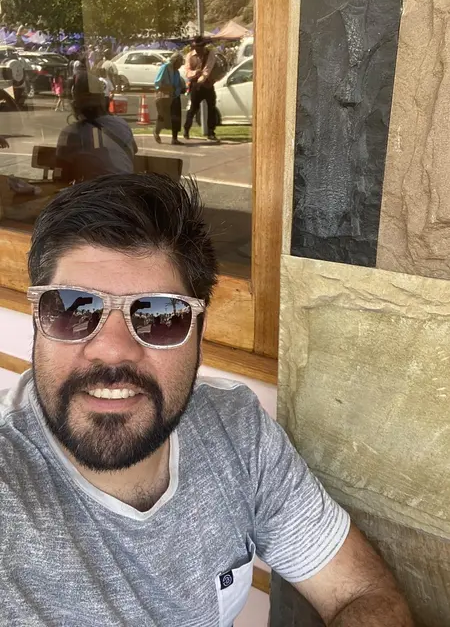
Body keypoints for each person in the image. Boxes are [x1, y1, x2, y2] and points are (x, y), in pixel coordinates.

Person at [0, 173, 413, 626]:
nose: (113, 349)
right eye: (73, 308)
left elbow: (361, 590)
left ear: (199, 335)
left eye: (160, 316)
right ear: (38, 319)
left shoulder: (235, 429)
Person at [55, 74, 137, 183]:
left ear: (75, 104)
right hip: (126, 188)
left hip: (98, 191)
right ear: (103, 101)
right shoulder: (121, 124)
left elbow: (62, 175)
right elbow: (134, 150)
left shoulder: (72, 133)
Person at [184, 36, 220, 142]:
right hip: (195, 85)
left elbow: (207, 70)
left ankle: (211, 132)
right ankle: (186, 129)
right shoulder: (190, 55)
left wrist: (201, 80)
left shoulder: (210, 54)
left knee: (211, 108)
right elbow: (187, 72)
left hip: (207, 85)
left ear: (203, 46)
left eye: (199, 47)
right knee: (193, 109)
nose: (197, 49)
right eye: (195, 47)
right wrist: (195, 73)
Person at [153, 52, 185, 146]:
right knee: (163, 115)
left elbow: (178, 84)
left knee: (176, 117)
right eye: (179, 62)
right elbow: (157, 82)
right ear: (175, 61)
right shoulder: (165, 68)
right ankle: (156, 131)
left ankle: (174, 139)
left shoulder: (177, 72)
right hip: (165, 96)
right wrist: (168, 87)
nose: (180, 65)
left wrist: (180, 89)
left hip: (175, 96)